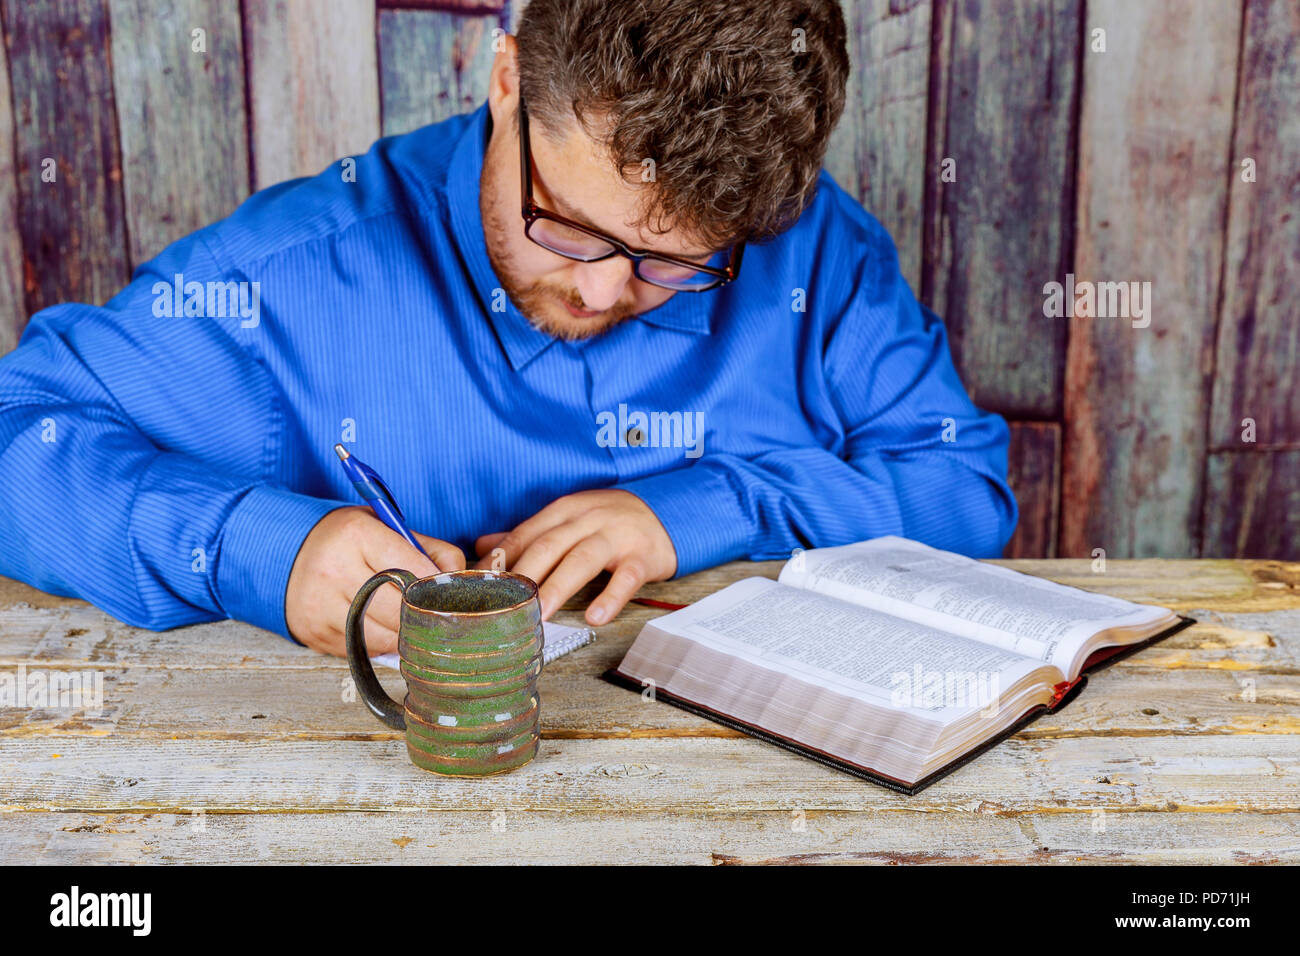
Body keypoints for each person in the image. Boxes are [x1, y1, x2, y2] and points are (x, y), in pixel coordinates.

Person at [0, 0, 1016, 657]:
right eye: (568, 226)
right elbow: (18, 436)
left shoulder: (814, 248)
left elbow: (962, 485)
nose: (606, 292)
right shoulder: (284, 280)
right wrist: (256, 547)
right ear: (506, 82)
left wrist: (706, 508)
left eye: (677, 263)